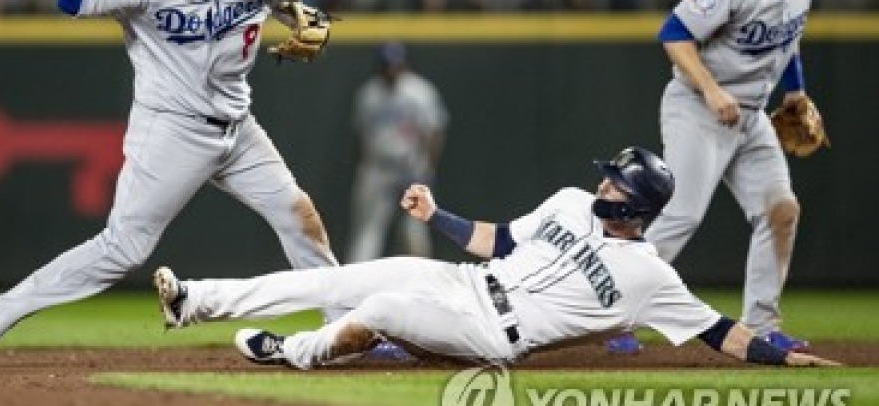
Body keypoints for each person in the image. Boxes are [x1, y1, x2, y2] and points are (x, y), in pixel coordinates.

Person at [0, 0, 342, 365]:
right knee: (122, 249)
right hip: (171, 132)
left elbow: (297, 7)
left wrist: (307, 19)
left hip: (239, 129)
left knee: (299, 214)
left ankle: (342, 326)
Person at [151, 147, 840, 370]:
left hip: (492, 335)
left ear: (635, 207)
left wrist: (780, 356)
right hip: (465, 280)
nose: (602, 184)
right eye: (606, 176)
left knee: (382, 308)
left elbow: (718, 328)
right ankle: (195, 301)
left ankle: (294, 351)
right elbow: (500, 240)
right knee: (339, 278)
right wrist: (436, 216)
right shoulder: (572, 202)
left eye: (615, 184)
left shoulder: (652, 276)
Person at [606, 0, 832, 356]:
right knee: (680, 213)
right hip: (697, 106)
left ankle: (763, 326)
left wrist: (795, 90)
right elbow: (673, 34)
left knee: (781, 211)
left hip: (751, 116)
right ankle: (613, 313)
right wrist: (710, 88)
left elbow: (788, 42)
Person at [346, 42, 448, 263]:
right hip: (378, 168)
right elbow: (361, 137)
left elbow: (434, 132)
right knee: (367, 233)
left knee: (414, 234)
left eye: (395, 65)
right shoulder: (369, 94)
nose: (391, 70)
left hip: (410, 167)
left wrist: (428, 167)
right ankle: (357, 284)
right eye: (386, 65)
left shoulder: (419, 92)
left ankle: (422, 285)